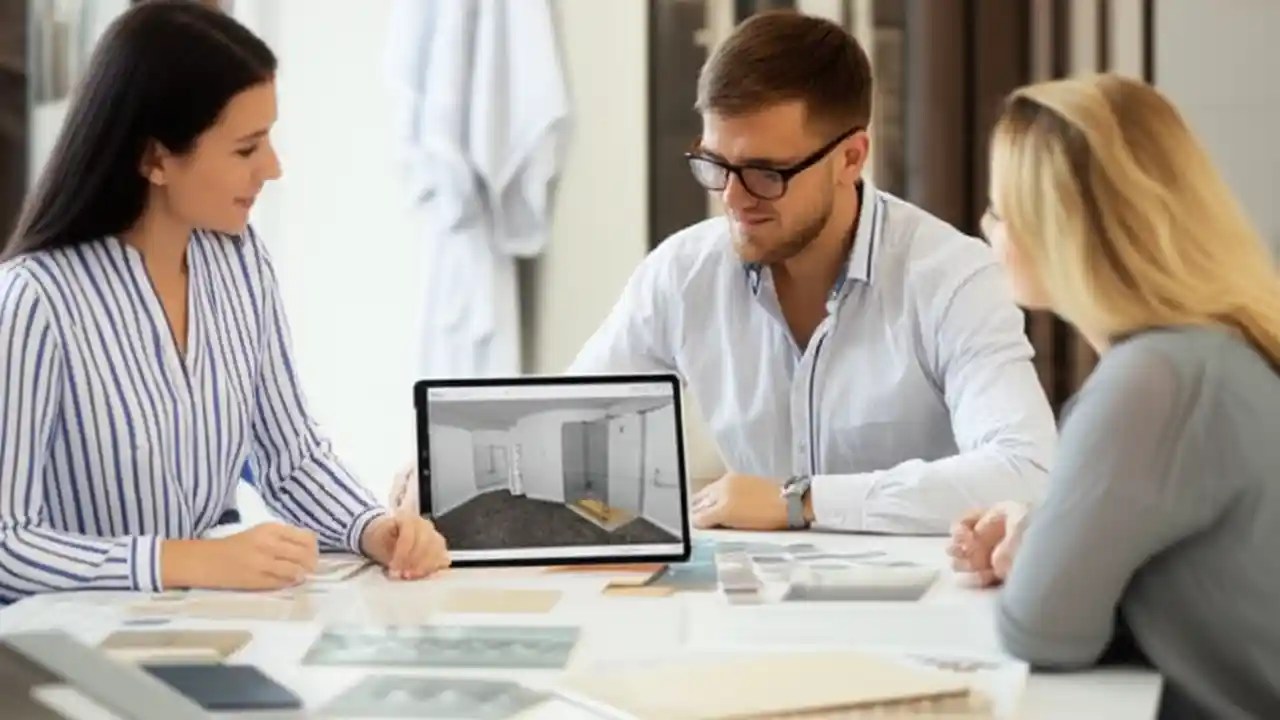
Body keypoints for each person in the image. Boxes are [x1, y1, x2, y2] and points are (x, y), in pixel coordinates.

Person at [0, 1, 449, 605]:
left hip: (200, 628)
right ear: (154, 158)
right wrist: (185, 559)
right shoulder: (34, 301)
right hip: (66, 646)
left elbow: (291, 457)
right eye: (246, 149)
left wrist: (374, 529)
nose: (273, 168)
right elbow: (7, 544)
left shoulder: (239, 263)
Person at [569, 11, 1055, 535]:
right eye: (715, 165)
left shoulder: (952, 278)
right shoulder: (683, 273)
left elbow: (1026, 472)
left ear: (851, 158)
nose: (732, 198)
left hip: (918, 586)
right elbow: (571, 428)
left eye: (765, 173)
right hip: (745, 585)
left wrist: (802, 500)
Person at [949, 74, 1280, 718]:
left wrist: (1040, 549)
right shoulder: (1212, 353)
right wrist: (1047, 528)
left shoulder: (1154, 383)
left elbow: (1041, 631)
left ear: (1055, 230)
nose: (988, 230)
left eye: (998, 211)